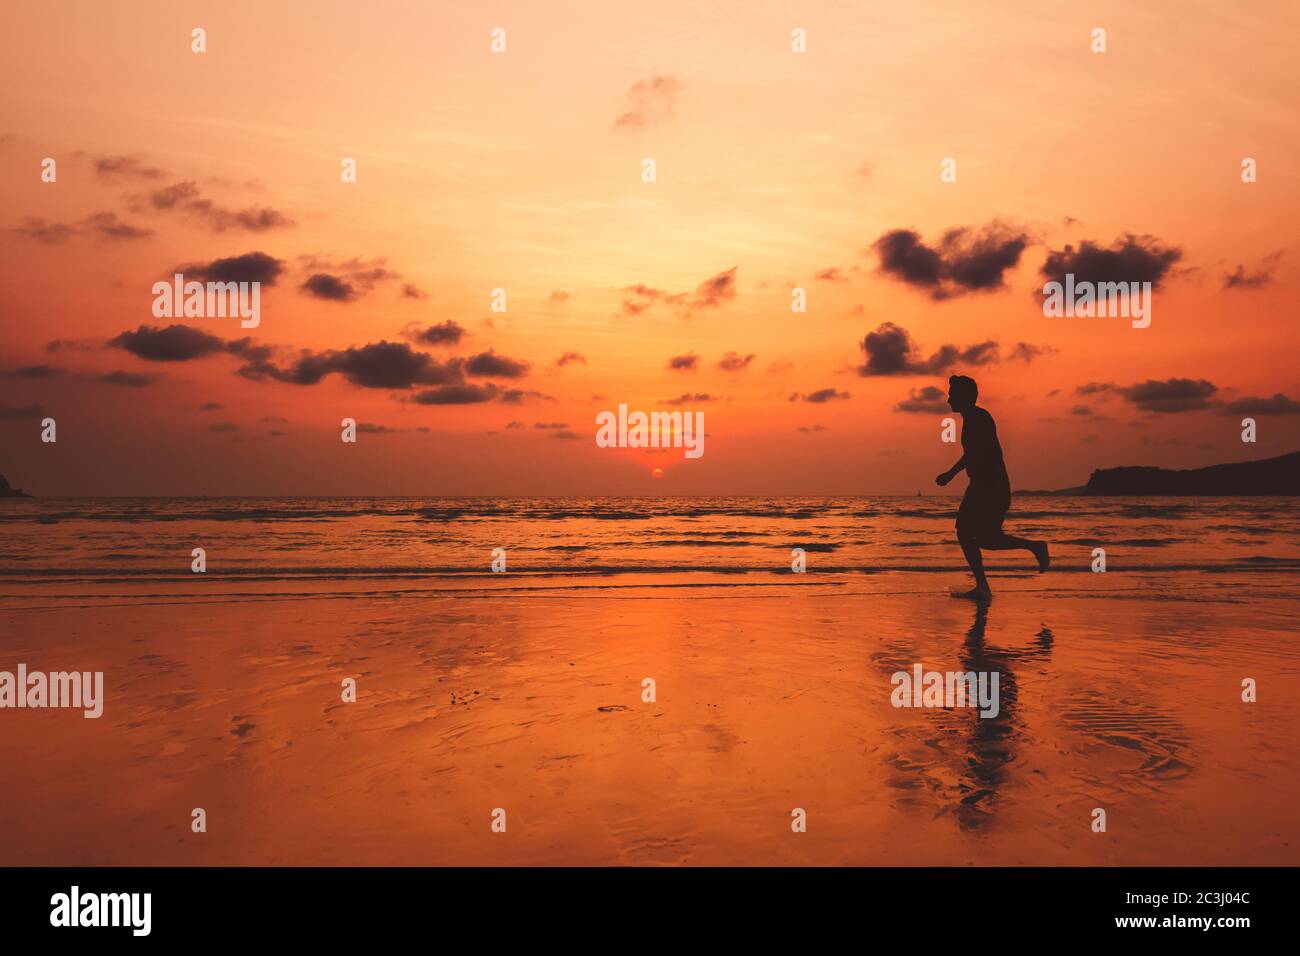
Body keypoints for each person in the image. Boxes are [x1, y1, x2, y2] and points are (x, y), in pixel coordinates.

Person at [935, 375, 1049, 600]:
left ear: (965, 396)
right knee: (985, 539)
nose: (949, 400)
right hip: (983, 486)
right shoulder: (972, 419)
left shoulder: (979, 418)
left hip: (990, 487)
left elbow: (977, 453)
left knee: (967, 533)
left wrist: (950, 474)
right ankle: (1033, 548)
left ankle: (983, 586)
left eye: (952, 395)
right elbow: (973, 454)